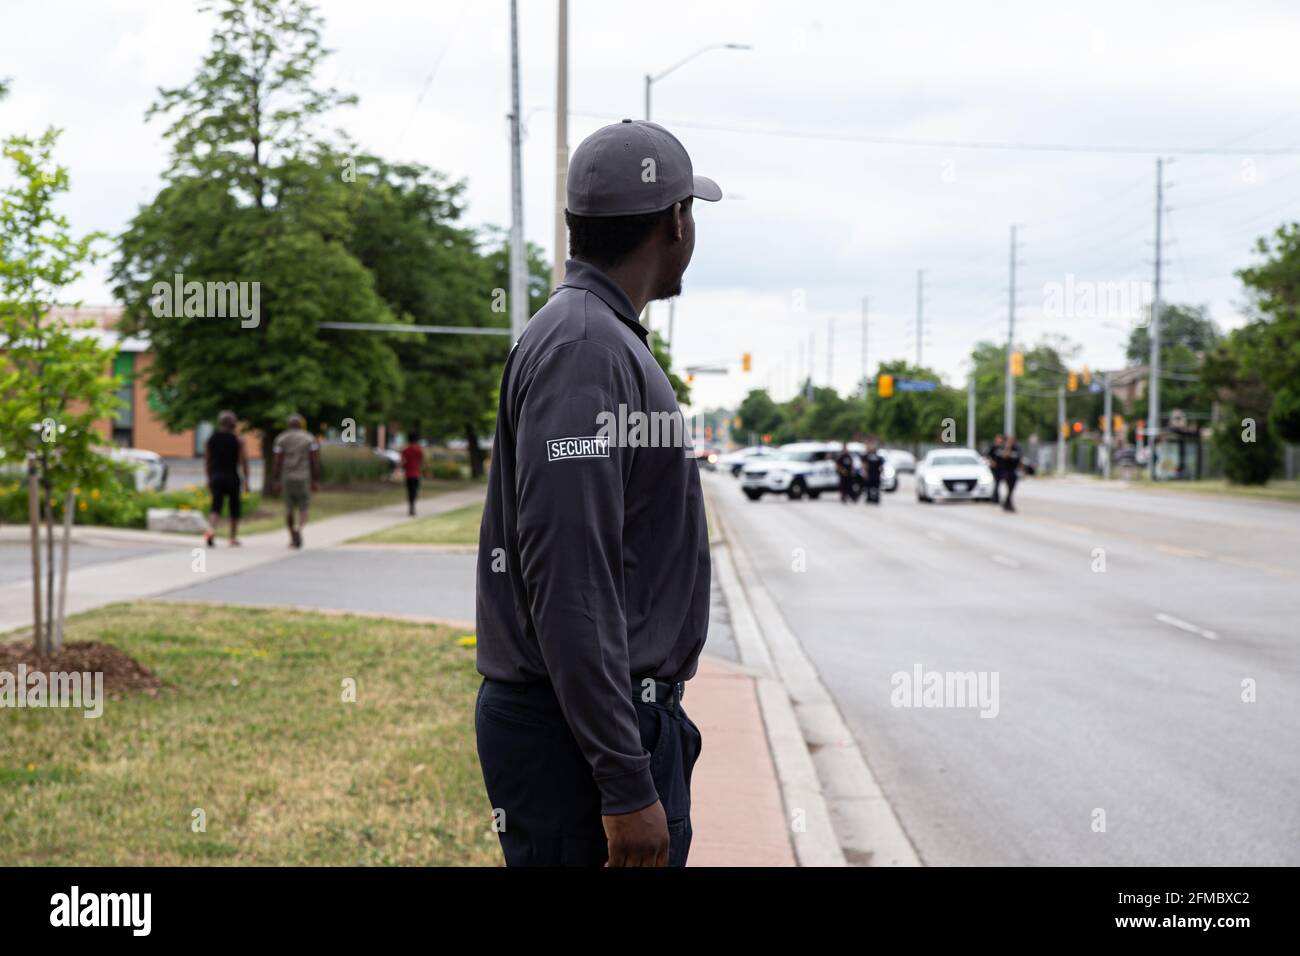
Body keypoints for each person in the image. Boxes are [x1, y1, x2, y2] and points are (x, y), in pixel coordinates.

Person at [475, 119, 719, 867]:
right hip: (582, 745)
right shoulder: (585, 350)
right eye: (693, 211)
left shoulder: (595, 337)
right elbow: (568, 577)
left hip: (596, 726)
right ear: (676, 220)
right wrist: (623, 781)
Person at [270, 413, 319, 548]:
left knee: (289, 508)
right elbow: (314, 460)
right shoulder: (309, 439)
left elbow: (277, 461)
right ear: (301, 425)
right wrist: (315, 480)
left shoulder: (281, 439)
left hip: (287, 477)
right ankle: (299, 528)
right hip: (303, 477)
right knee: (304, 507)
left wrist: (275, 480)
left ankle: (292, 535)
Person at [203, 410, 248, 547]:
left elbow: (207, 461)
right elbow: (243, 461)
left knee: (215, 507)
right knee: (234, 508)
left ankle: (211, 530)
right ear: (233, 424)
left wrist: (209, 478)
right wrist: (246, 480)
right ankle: (232, 538)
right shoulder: (238, 439)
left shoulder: (211, 439)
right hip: (232, 476)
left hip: (216, 476)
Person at [998, 435, 1023, 512]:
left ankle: (1007, 504)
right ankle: (1008, 504)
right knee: (1009, 488)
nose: (1010, 442)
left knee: (1012, 488)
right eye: (1009, 441)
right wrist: (1007, 448)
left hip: (1014, 471)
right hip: (1007, 471)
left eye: (1012, 441)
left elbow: (1020, 458)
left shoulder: (1016, 448)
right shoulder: (1005, 448)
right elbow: (1004, 456)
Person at [400, 438, 424, 516]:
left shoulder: (405, 450)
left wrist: (403, 467)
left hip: (408, 474)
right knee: (415, 490)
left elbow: (402, 462)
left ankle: (411, 506)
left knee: (409, 491)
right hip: (416, 474)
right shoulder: (418, 450)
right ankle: (412, 506)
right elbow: (421, 461)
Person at [861, 438, 885, 505]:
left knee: (877, 487)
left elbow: (881, 466)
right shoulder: (866, 456)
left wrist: (882, 472)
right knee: (868, 487)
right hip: (869, 474)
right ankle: (869, 498)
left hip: (876, 474)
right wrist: (865, 473)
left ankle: (876, 498)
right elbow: (864, 465)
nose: (873, 447)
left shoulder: (879, 457)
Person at [985, 434, 1005, 505]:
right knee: (996, 483)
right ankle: (995, 498)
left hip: (1001, 468)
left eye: (1000, 439)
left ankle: (995, 498)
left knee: (998, 483)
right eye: (998, 439)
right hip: (994, 468)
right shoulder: (993, 447)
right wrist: (992, 462)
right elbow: (988, 456)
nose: (999, 441)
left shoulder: (1002, 447)